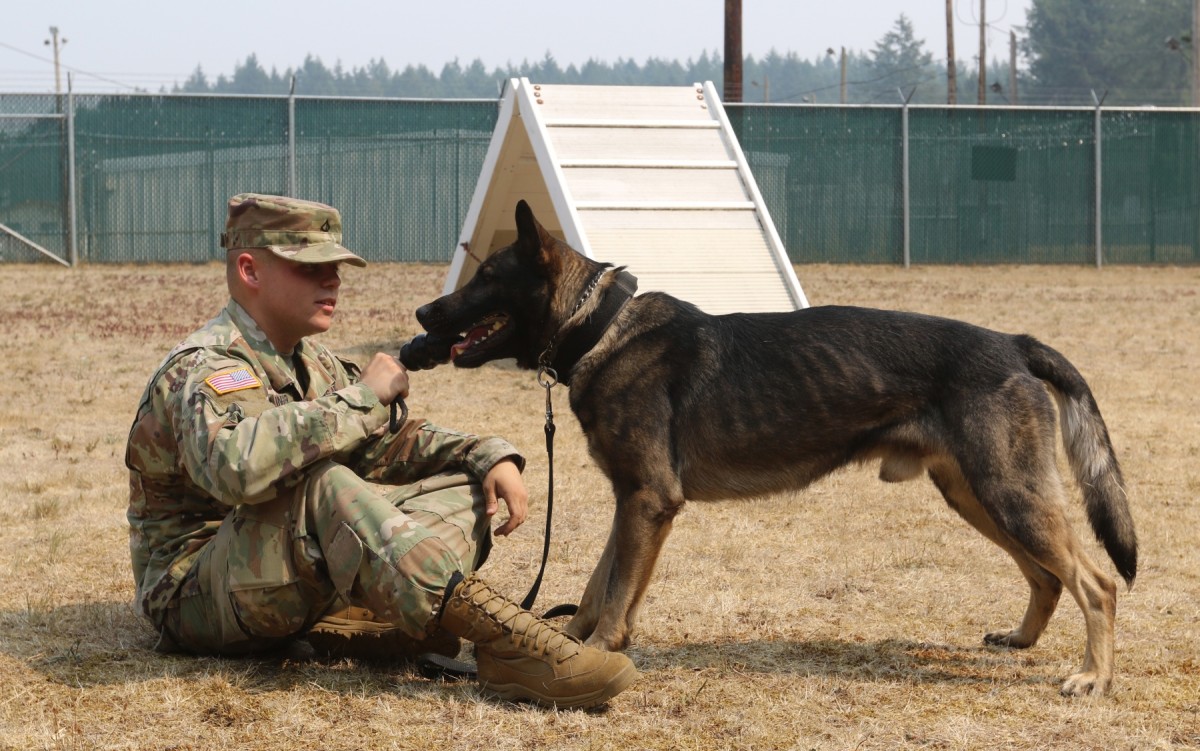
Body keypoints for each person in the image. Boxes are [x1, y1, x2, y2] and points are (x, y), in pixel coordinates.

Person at [125, 193, 637, 709]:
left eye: (336, 266)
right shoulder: (205, 367)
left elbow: (384, 443)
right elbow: (237, 469)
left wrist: (485, 453)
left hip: (275, 577)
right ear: (250, 270)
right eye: (311, 267)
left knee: (464, 488)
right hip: (196, 595)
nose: (333, 280)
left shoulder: (310, 361)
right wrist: (365, 397)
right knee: (324, 485)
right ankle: (505, 643)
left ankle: (354, 618)